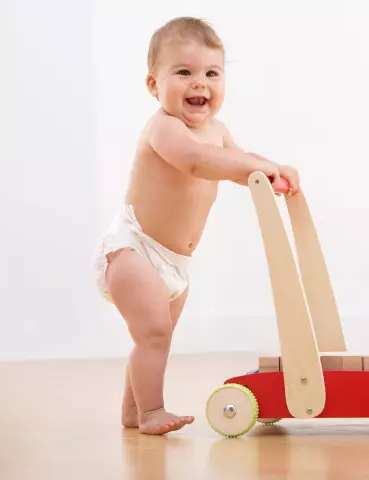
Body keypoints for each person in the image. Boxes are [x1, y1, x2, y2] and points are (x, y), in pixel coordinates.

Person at [92, 16, 300, 435]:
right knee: (154, 335)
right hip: (135, 249)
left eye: (211, 73)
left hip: (175, 262)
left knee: (157, 338)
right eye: (183, 72)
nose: (199, 83)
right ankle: (152, 412)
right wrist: (257, 164)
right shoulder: (164, 129)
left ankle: (133, 413)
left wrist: (269, 172)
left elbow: (235, 167)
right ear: (154, 85)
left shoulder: (218, 131)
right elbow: (196, 162)